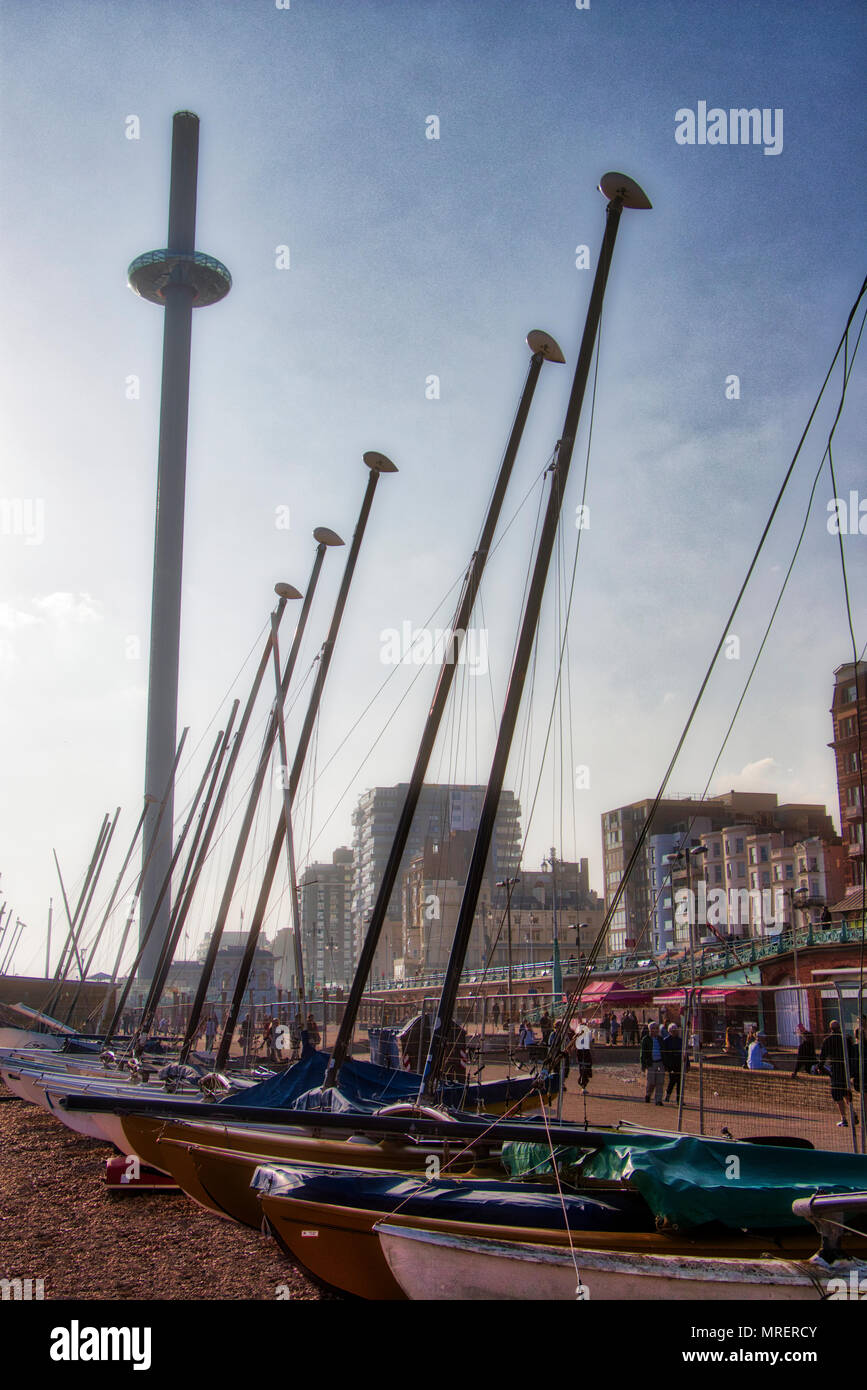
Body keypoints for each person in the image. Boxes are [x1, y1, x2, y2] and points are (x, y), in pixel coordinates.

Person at [819, 1020, 860, 1128]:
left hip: (836, 1069)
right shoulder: (846, 1039)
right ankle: (853, 1112)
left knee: (837, 1095)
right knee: (846, 1091)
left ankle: (844, 1118)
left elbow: (822, 1057)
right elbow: (852, 1053)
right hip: (846, 1069)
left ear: (830, 1029)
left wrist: (820, 1067)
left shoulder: (827, 1040)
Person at [640, 1021, 666, 1105]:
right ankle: (648, 1094)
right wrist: (643, 1064)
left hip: (660, 1062)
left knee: (660, 1082)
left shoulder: (660, 1039)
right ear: (650, 1030)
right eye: (653, 1029)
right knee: (651, 1081)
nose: (655, 1030)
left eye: (656, 1028)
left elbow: (664, 1050)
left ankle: (658, 1100)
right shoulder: (646, 1039)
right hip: (651, 1063)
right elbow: (643, 1053)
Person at [662, 1022, 686, 1102]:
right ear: (670, 1031)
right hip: (671, 1064)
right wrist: (666, 1064)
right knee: (672, 1080)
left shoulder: (680, 1041)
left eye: (676, 1030)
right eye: (673, 1031)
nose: (675, 1032)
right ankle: (668, 1095)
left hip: (679, 1063)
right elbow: (664, 1054)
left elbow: (684, 1053)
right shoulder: (666, 1041)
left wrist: (687, 1063)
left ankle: (679, 1099)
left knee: (680, 1081)